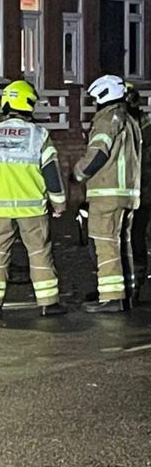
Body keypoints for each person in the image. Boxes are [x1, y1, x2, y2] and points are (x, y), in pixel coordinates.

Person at [0, 80, 67, 318]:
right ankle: (48, 303)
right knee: (39, 253)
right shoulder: (39, 136)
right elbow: (51, 173)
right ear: (29, 104)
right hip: (32, 209)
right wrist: (59, 203)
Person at [75, 75, 142, 313]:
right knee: (123, 245)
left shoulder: (107, 119)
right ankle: (128, 292)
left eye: (95, 99)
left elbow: (98, 152)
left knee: (105, 245)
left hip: (107, 194)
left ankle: (112, 298)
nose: (94, 104)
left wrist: (79, 173)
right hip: (128, 194)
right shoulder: (129, 119)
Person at [125, 82, 151, 297]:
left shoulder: (137, 126)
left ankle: (135, 283)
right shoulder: (141, 124)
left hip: (140, 193)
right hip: (134, 193)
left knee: (134, 238)